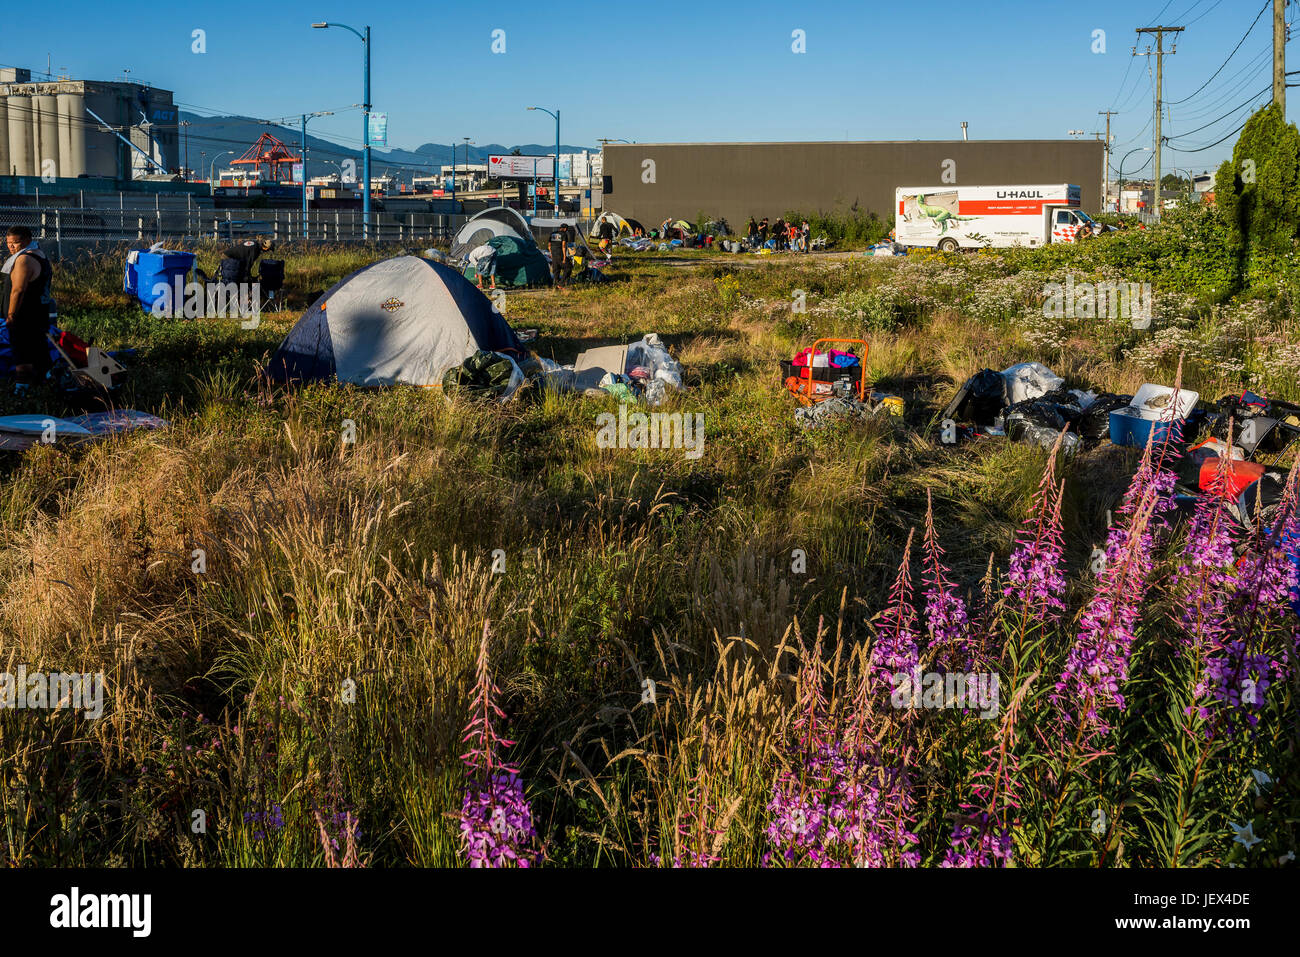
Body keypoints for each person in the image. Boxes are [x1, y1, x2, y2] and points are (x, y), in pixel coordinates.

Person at [1, 225, 56, 390]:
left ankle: (22, 395)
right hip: (38, 316)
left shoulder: (24, 259)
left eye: (15, 243)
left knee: (23, 358)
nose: (11, 247)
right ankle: (45, 390)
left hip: (23, 318)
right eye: (8, 243)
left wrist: (11, 316)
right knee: (38, 355)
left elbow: (18, 290)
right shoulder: (39, 255)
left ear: (27, 241)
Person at [548, 224, 571, 289]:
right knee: (569, 267)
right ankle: (561, 283)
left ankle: (556, 285)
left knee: (556, 270)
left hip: (554, 254)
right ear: (565, 229)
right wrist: (564, 257)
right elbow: (563, 246)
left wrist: (551, 254)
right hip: (560, 254)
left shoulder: (552, 233)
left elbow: (549, 246)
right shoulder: (564, 234)